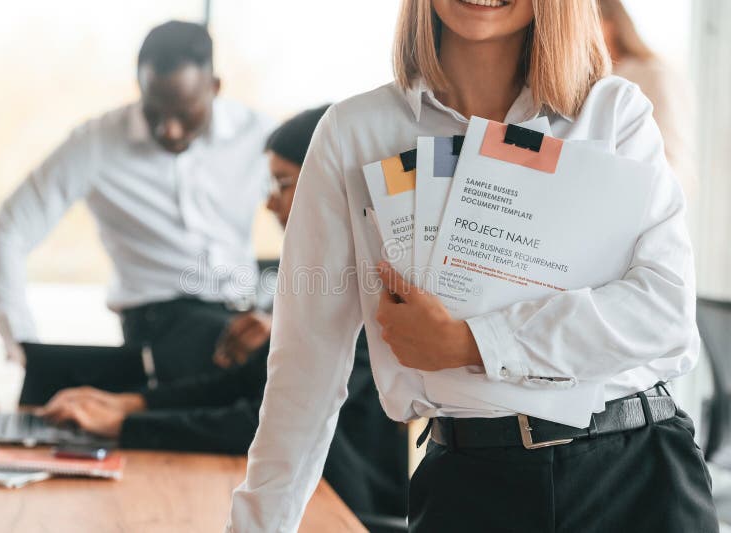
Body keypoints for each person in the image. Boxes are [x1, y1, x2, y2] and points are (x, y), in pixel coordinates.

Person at [227, 1, 717, 532]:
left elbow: (663, 314)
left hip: (636, 474)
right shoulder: (354, 132)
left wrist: (472, 343)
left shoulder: (613, 112)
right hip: (470, 485)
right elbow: (305, 368)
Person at [38, 106, 409, 520]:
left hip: (344, 510)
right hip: (299, 501)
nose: (269, 202)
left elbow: (261, 421)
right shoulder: (317, 280)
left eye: (282, 184)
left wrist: (125, 426)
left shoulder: (373, 291)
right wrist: (129, 404)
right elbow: (240, 385)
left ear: (334, 186)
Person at [0, 21, 273, 381]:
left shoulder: (259, 135)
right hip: (158, 323)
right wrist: (22, 343)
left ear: (215, 88)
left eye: (184, 112)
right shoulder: (95, 143)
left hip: (245, 315)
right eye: (155, 111)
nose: (169, 129)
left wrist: (277, 316)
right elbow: (2, 238)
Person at [600, 0, 697, 200]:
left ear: (609, 26)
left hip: (642, 209)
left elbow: (677, 165)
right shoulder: (591, 83)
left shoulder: (655, 76)